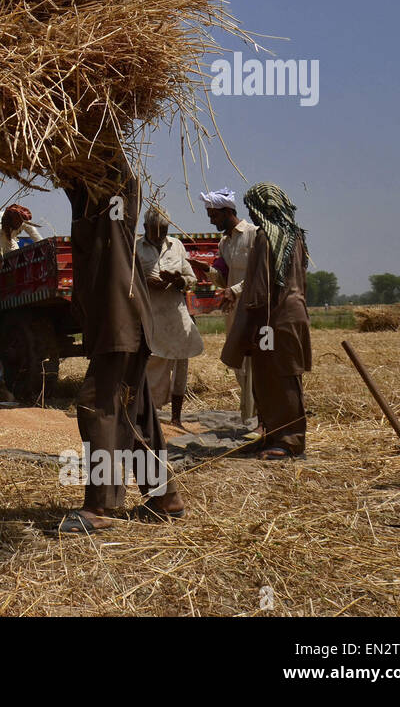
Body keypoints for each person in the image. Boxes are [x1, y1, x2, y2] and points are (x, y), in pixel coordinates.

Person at [58, 161, 185, 533]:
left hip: (120, 325)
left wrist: (97, 140)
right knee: (137, 415)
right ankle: (164, 496)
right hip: (118, 326)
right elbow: (77, 186)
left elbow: (119, 180)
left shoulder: (110, 216)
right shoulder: (89, 213)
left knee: (99, 407)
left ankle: (99, 506)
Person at [221, 183, 312, 459]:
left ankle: (288, 442)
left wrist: (251, 328)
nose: (254, 214)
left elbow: (260, 288)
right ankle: (274, 435)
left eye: (253, 208)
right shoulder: (296, 236)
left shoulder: (266, 237)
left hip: (273, 319)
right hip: (294, 313)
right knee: (281, 376)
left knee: (274, 379)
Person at [136, 207, 203, 427]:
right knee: (152, 366)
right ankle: (149, 416)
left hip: (177, 315)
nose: (161, 235)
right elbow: (127, 282)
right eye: (157, 230)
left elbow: (190, 278)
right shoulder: (136, 248)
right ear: (146, 228)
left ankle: (176, 418)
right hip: (151, 317)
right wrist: (146, 282)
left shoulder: (177, 246)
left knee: (180, 366)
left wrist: (178, 280)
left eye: (165, 230)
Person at [202, 187, 258, 425]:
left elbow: (259, 276)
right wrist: (204, 270)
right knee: (239, 365)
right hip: (234, 314)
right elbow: (223, 277)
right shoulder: (224, 243)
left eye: (214, 216)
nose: (211, 221)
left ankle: (257, 420)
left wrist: (234, 291)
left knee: (255, 365)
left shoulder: (254, 234)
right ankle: (249, 419)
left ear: (226, 211)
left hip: (254, 311)